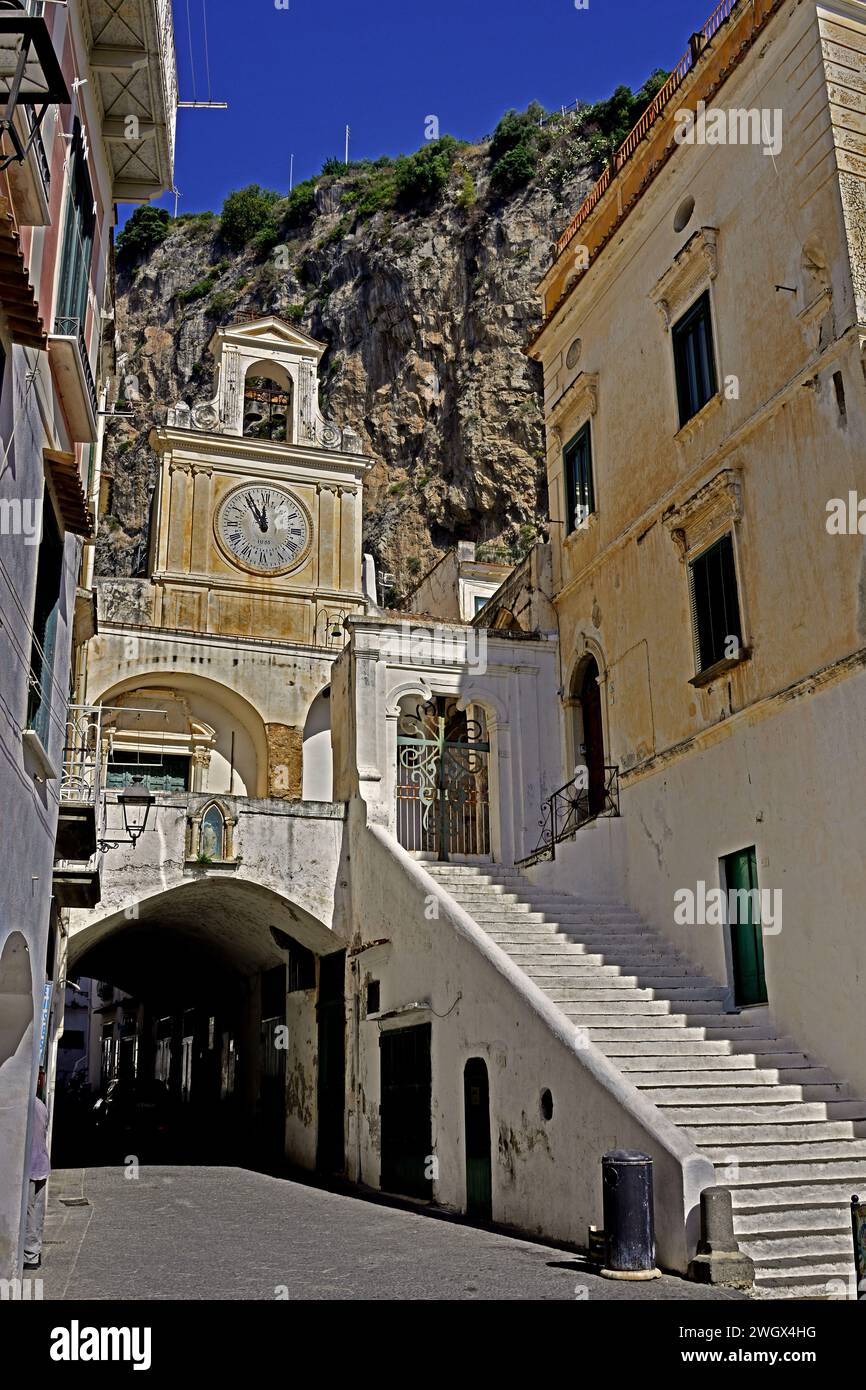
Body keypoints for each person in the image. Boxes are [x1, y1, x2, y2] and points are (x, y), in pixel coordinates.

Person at [23, 1076, 50, 1271]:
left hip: (29, 1167)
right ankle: (34, 1252)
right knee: (37, 1213)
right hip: (41, 1164)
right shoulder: (40, 1105)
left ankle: (30, 1256)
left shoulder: (22, 1106)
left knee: (29, 1212)